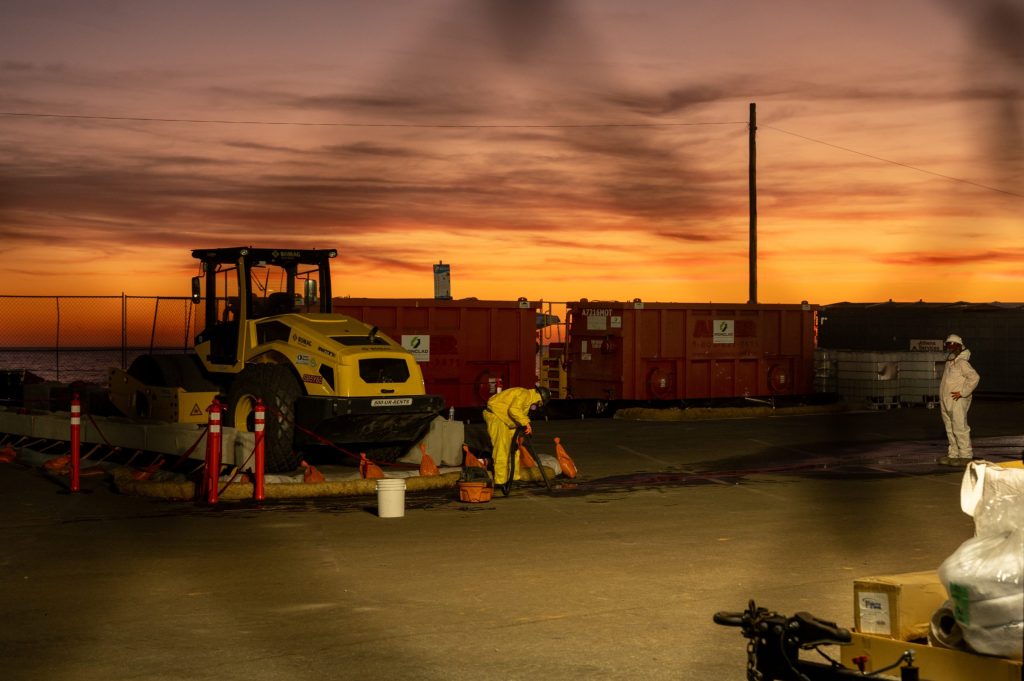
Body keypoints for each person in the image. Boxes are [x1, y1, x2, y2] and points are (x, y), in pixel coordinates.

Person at [483, 385, 550, 489]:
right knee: (501, 449)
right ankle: (501, 481)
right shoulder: (525, 394)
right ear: (540, 398)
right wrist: (526, 423)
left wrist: (519, 435)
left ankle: (513, 478)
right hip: (496, 416)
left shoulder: (528, 398)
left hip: (506, 419)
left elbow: (517, 416)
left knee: (514, 449)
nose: (538, 405)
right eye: (540, 403)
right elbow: (513, 410)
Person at [938, 333, 980, 466]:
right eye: (949, 346)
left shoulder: (962, 363)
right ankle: (954, 454)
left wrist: (963, 393)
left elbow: (974, 377)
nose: (950, 349)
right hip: (946, 400)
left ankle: (966, 455)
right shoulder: (950, 363)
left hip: (957, 400)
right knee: (950, 427)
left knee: (960, 427)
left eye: (953, 346)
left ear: (959, 347)